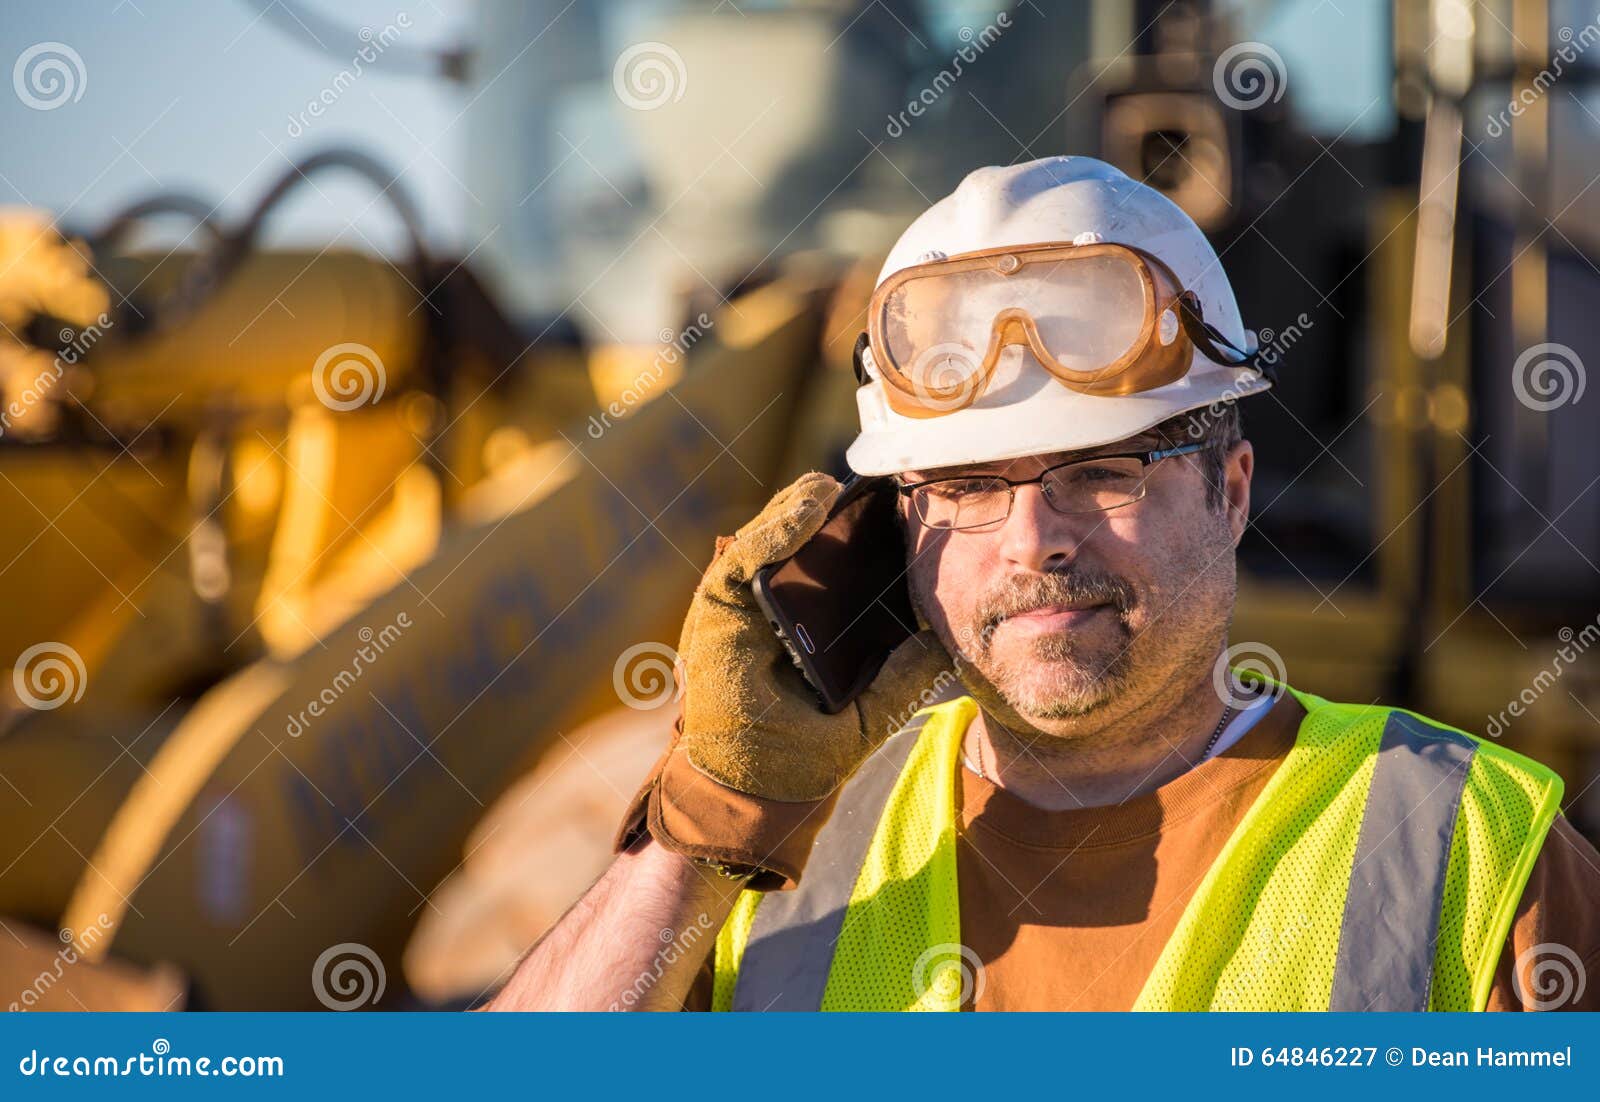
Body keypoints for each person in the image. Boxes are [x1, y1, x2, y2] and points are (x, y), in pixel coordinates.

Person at [487, 156, 1600, 1012]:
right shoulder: (779, 855)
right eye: (967, 487)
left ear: (1230, 490)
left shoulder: (1467, 847)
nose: (1032, 541)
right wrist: (705, 825)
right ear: (901, 521)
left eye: (1100, 474)